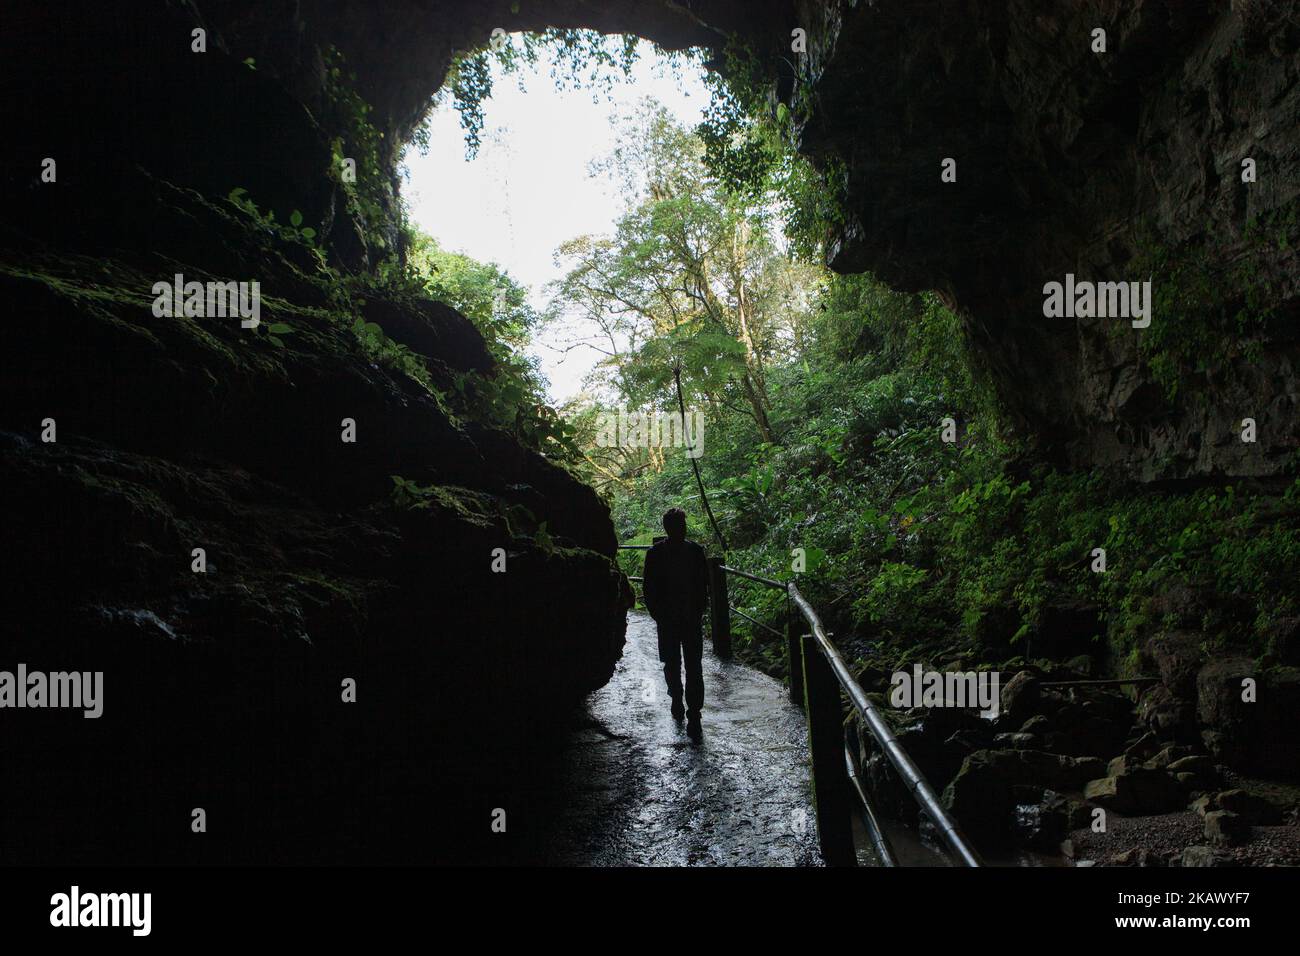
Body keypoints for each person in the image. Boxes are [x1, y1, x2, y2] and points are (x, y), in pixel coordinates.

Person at [641, 507, 710, 741]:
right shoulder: (692, 552)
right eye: (679, 525)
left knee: (687, 666)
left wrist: (659, 613)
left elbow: (703, 586)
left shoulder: (660, 554)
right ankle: (681, 702)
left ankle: (691, 710)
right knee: (681, 665)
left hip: (679, 620)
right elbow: (649, 589)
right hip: (677, 620)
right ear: (671, 528)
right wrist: (659, 614)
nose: (682, 529)